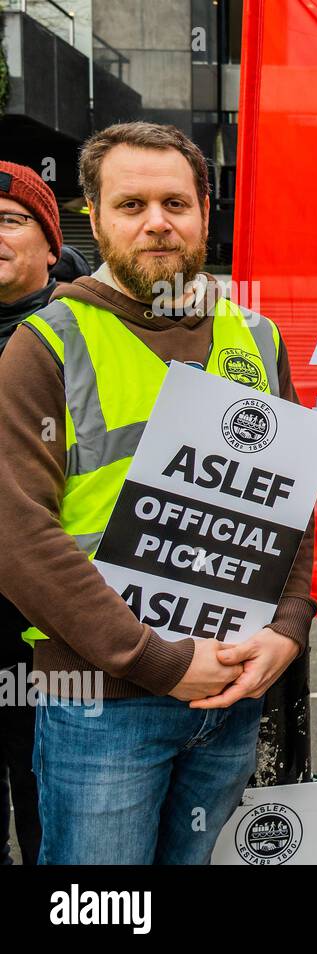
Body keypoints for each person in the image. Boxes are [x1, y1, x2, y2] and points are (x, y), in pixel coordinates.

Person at [0, 122, 316, 864]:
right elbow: (19, 537)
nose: (156, 222)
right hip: (103, 708)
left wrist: (291, 625)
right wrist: (160, 662)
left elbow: (288, 506)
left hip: (232, 696)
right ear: (96, 216)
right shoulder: (45, 344)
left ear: (207, 211)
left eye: (175, 202)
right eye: (131, 204)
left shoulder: (258, 338)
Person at [0, 160, 61, 864]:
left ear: (51, 244)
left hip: (53, 634)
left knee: (53, 818)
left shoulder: (84, 337)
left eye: (10, 218)